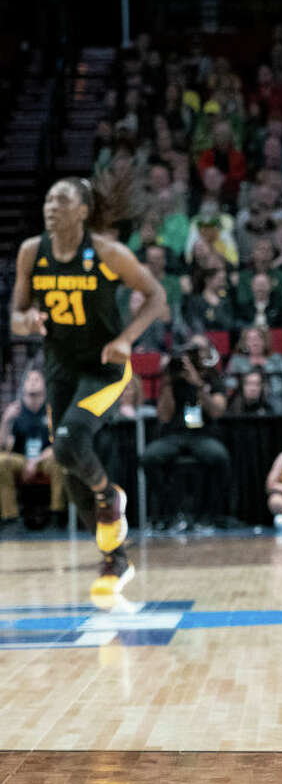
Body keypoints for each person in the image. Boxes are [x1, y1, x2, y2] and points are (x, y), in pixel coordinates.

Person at [9, 172, 168, 592]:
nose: (50, 206)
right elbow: (15, 314)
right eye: (47, 199)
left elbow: (156, 296)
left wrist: (125, 339)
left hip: (105, 368)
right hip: (61, 368)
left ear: (82, 210)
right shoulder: (31, 252)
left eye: (61, 199)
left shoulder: (107, 253)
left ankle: (109, 496)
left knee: (68, 440)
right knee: (66, 460)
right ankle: (115, 560)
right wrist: (24, 320)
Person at [141, 336, 232, 533]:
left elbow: (217, 411)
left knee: (220, 457)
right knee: (149, 457)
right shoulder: (172, 378)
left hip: (203, 435)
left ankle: (209, 515)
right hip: (174, 435)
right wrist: (167, 383)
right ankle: (169, 512)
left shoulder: (213, 378)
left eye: (197, 350)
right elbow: (164, 416)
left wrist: (198, 384)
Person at [0, 368, 65, 532]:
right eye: (29, 379)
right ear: (24, 386)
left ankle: (57, 515)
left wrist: (35, 462)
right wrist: (6, 421)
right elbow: (2, 445)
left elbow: (58, 444)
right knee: (1, 461)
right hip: (21, 459)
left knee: (58, 459)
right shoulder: (16, 410)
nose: (32, 382)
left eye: (36, 379)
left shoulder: (51, 409)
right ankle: (10, 518)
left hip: (45, 459)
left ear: (44, 384)